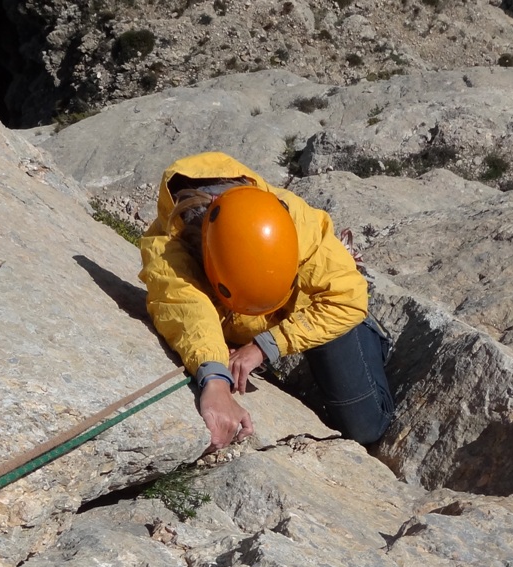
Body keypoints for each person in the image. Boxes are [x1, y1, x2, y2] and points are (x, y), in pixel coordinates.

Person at [138, 151, 393, 450]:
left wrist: (264, 346)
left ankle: (370, 337)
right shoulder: (169, 250)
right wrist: (215, 382)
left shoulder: (294, 221)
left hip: (313, 307)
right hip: (241, 320)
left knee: (366, 427)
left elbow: (346, 299)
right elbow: (188, 310)